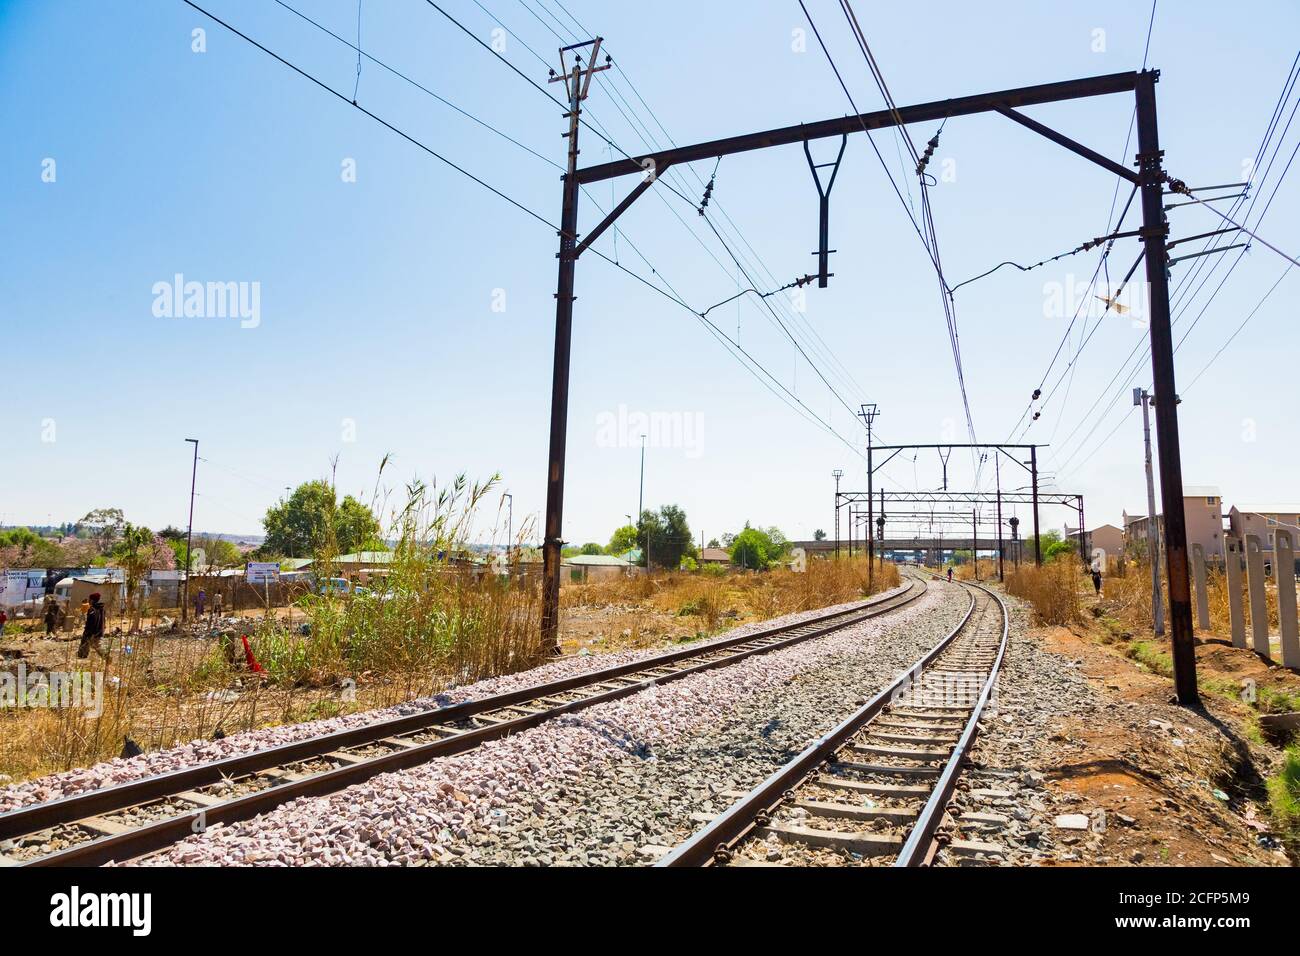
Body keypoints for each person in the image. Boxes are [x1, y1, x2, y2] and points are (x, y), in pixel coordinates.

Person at [78, 592, 110, 661]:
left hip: (92, 632)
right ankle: (106, 657)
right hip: (99, 631)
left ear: (92, 600)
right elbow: (103, 621)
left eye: (90, 600)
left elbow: (91, 622)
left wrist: (88, 632)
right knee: (97, 645)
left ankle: (82, 658)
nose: (89, 601)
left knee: (87, 645)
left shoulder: (92, 609)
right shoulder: (102, 609)